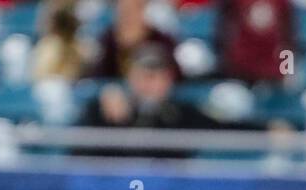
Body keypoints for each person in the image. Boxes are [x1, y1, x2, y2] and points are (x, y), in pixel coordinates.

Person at [77, 43, 218, 157]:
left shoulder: (184, 114)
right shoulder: (105, 109)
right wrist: (108, 109)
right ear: (130, 77)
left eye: (155, 76)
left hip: (169, 189)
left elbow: (228, 135)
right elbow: (77, 154)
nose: (148, 84)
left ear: (169, 80)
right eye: (142, 75)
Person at [88, 0, 179, 80]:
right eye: (124, 10)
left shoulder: (162, 41)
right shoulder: (107, 39)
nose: (128, 15)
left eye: (134, 9)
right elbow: (95, 76)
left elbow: (174, 76)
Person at [216, 0, 295, 83]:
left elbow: (289, 39)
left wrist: (288, 71)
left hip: (272, 72)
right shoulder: (234, 3)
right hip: (239, 70)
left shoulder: (283, 3)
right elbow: (222, 32)